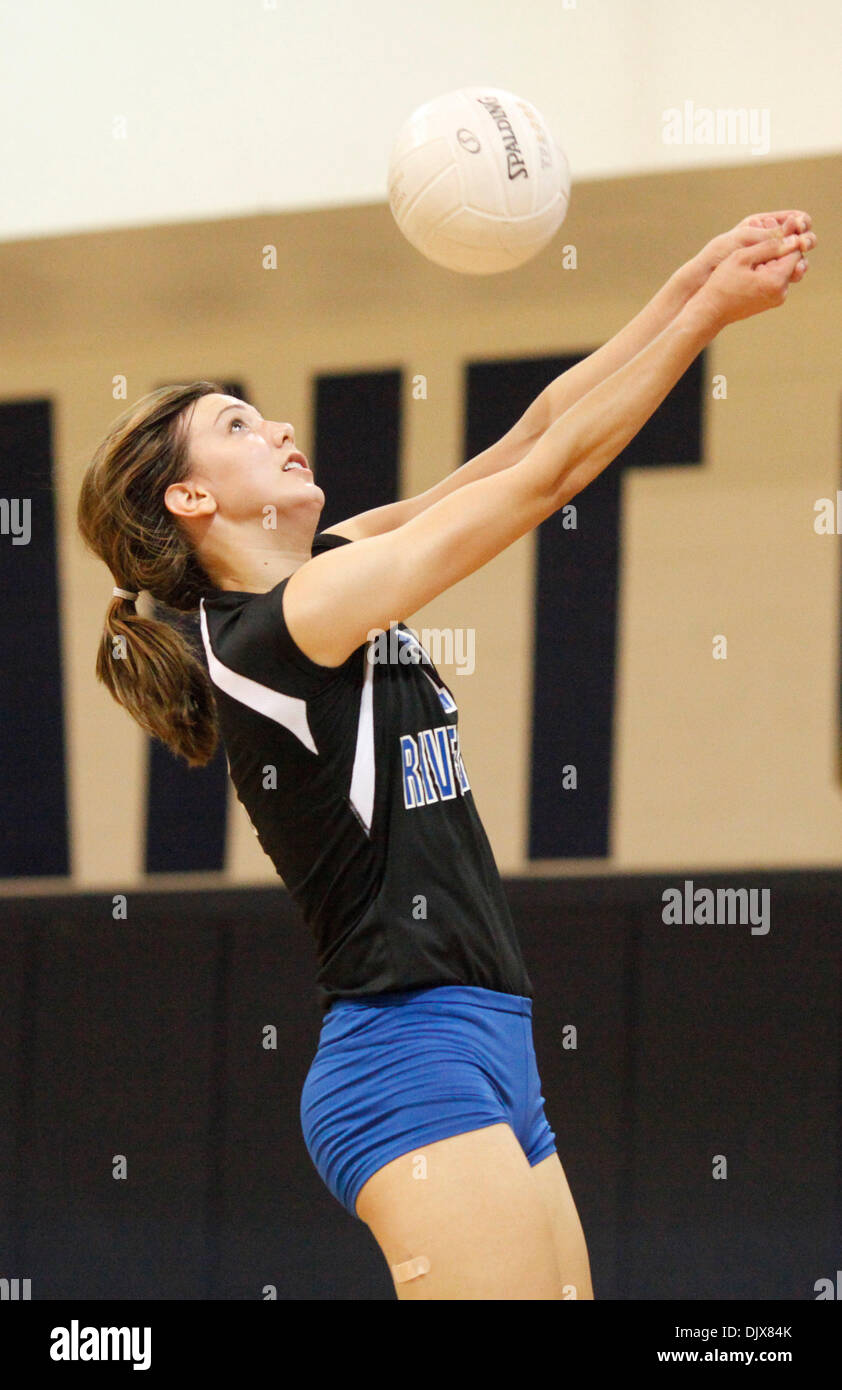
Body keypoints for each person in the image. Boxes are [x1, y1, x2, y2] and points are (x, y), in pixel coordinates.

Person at [76, 211, 814, 1300]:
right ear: (190, 500)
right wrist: (705, 315)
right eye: (238, 425)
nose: (279, 426)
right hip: (403, 1059)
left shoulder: (335, 567)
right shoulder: (285, 624)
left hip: (486, 1039)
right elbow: (548, 480)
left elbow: (528, 437)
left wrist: (684, 283)